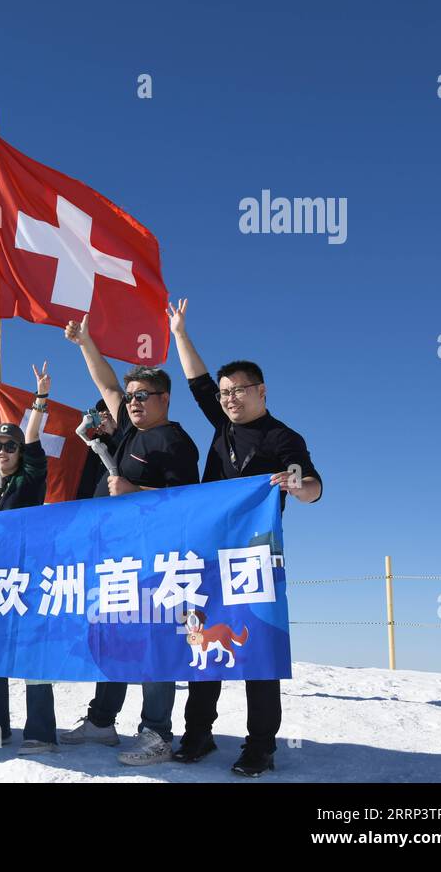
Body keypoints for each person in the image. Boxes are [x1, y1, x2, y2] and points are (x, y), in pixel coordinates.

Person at [166, 299, 323, 777]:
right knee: (204, 642)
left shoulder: (282, 438)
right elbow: (197, 383)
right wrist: (179, 333)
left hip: (256, 560)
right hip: (210, 555)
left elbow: (313, 489)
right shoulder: (221, 426)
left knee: (257, 652)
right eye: (226, 392)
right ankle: (198, 734)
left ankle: (261, 746)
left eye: (239, 391)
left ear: (262, 391)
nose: (230, 398)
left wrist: (294, 484)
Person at [57, 313, 200, 766]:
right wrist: (85, 342)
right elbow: (108, 388)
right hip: (118, 560)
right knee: (114, 638)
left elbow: (186, 501)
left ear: (165, 399)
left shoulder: (174, 441)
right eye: (133, 396)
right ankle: (102, 721)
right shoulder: (128, 430)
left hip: (157, 561)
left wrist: (135, 491)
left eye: (144, 396)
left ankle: (157, 734)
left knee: (153, 643)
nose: (134, 402)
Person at [0, 363, 56, 754]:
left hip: (28, 578)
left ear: (21, 452)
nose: (2, 452)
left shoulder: (30, 477)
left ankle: (40, 733)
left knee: (33, 656)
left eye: (10, 446)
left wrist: (39, 398)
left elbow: (34, 435)